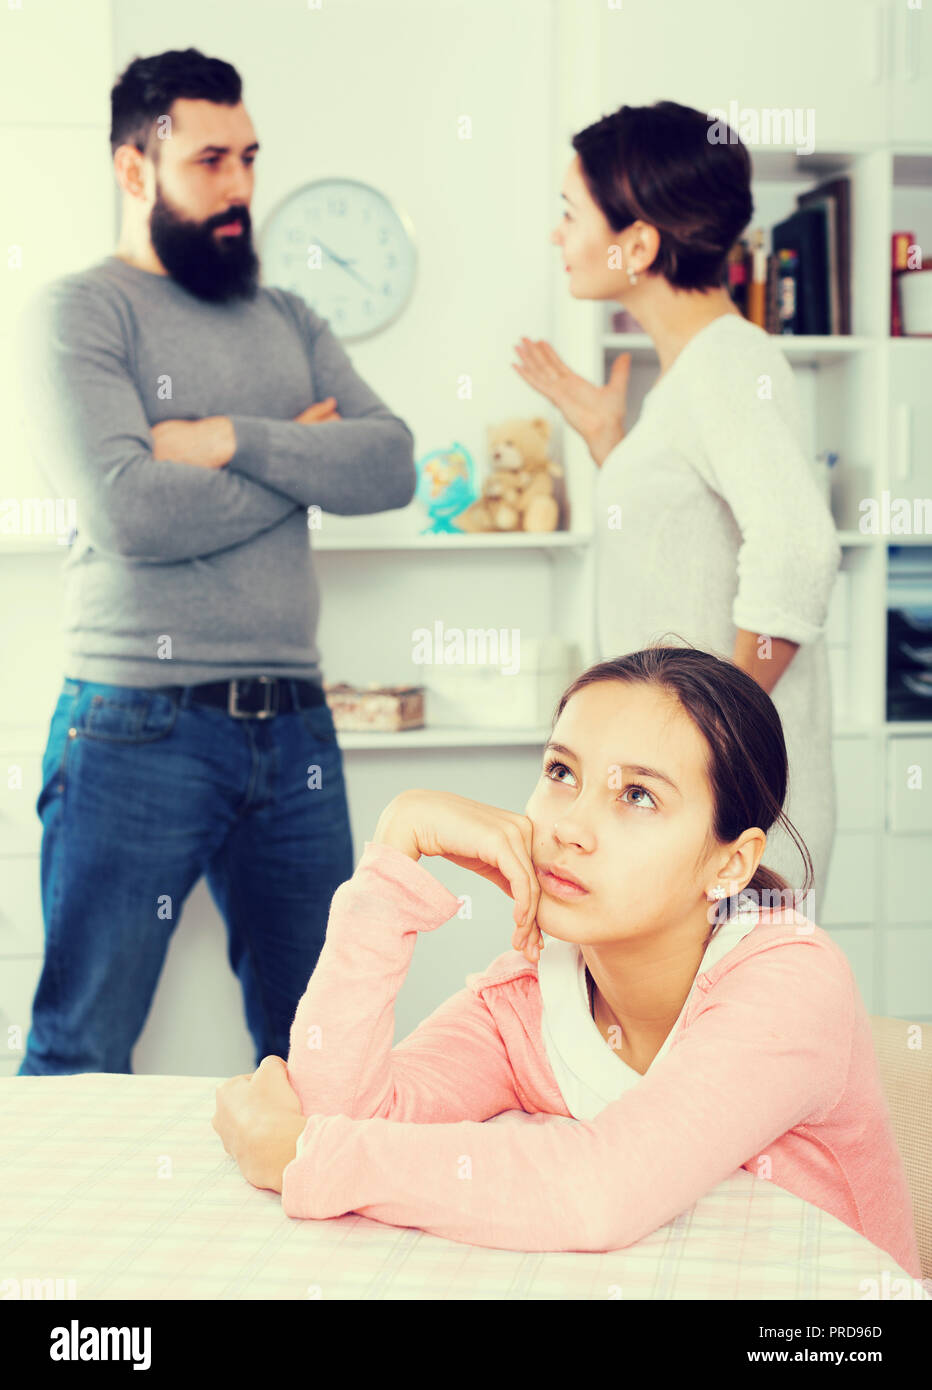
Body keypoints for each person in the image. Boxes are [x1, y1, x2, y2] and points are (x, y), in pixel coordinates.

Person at [211, 644, 920, 1279]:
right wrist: (395, 852)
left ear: (732, 862)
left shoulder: (789, 982)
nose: (571, 827)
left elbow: (602, 1189)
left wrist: (307, 1152)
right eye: (560, 772)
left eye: (637, 795)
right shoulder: (526, 996)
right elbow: (347, 1110)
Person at [15, 47, 416, 1075]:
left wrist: (229, 437)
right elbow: (129, 513)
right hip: (135, 723)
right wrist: (300, 451)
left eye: (249, 157)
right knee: (81, 1046)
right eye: (209, 162)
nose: (239, 187)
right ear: (133, 169)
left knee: (320, 1054)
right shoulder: (81, 311)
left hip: (295, 726)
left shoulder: (287, 316)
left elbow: (388, 463)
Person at [513, 101, 842, 911]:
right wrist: (608, 445)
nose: (558, 235)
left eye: (570, 214)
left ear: (640, 243)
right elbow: (688, 541)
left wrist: (711, 745)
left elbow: (798, 549)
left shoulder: (728, 363)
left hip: (719, 815)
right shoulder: (694, 375)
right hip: (679, 803)